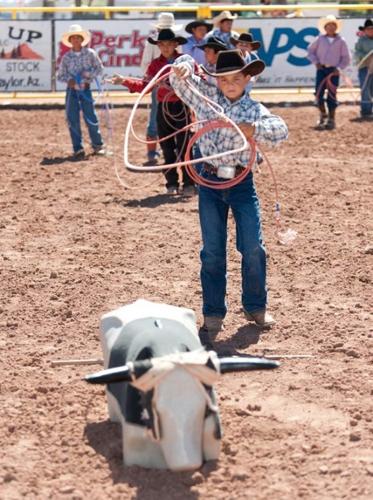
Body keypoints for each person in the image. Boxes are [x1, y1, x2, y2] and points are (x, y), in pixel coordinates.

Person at [169, 50, 288, 345]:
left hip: (240, 181)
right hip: (208, 182)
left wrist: (255, 129)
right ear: (217, 81)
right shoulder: (206, 100)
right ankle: (213, 313)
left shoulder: (255, 110)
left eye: (237, 78)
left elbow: (280, 131)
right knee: (212, 251)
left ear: (248, 79)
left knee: (253, 247)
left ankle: (255, 307)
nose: (231, 83)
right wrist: (183, 65)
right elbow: (178, 81)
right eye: (224, 79)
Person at [112, 29, 195, 195]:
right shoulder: (155, 65)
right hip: (163, 108)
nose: (165, 47)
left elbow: (200, 79)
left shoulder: (186, 62)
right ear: (158, 46)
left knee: (186, 147)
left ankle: (188, 183)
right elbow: (145, 86)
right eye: (162, 44)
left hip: (182, 107)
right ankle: (171, 183)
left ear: (175, 44)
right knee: (167, 147)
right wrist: (125, 81)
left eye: (169, 44)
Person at [141, 12, 183, 166]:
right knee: (158, 117)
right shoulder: (169, 42)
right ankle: (159, 151)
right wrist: (156, 79)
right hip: (158, 84)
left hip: (175, 85)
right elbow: (147, 65)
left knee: (162, 116)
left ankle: (157, 152)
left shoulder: (157, 43)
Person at [57, 24, 105, 159]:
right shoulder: (66, 57)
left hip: (86, 89)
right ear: (71, 40)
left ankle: (98, 145)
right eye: (74, 38)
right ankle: (78, 148)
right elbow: (60, 75)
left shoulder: (90, 54)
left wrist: (88, 76)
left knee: (91, 117)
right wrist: (70, 81)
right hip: (72, 91)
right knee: (73, 119)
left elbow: (99, 69)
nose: (76, 40)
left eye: (78, 37)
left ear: (82, 39)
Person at [307, 15, 351, 130]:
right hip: (321, 69)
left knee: (332, 95)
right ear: (325, 27)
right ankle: (323, 114)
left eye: (333, 25)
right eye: (329, 25)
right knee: (318, 94)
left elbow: (346, 57)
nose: (331, 27)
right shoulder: (320, 39)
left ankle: (331, 119)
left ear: (336, 27)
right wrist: (316, 62)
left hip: (333, 71)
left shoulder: (341, 41)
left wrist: (339, 68)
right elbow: (310, 51)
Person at [354, 18, 373, 119]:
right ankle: (366, 111)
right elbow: (357, 53)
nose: (371, 31)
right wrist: (367, 57)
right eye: (369, 29)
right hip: (364, 68)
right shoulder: (361, 41)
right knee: (365, 89)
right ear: (364, 30)